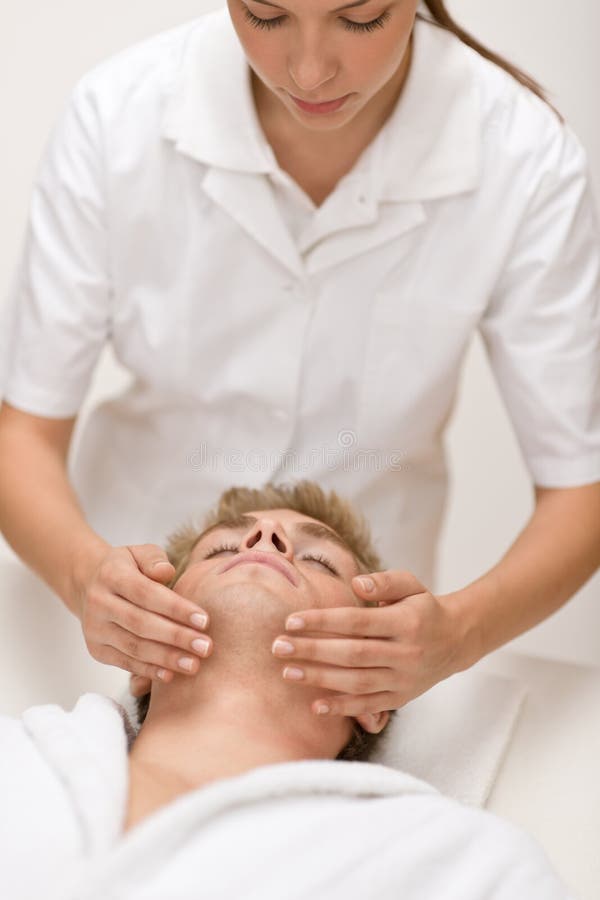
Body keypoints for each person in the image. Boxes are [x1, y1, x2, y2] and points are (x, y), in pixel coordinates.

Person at [0, 0, 599, 715]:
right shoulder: (117, 117)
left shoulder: (523, 158)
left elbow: (580, 490)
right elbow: (22, 434)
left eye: (362, 19)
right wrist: (84, 577)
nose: (310, 71)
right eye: (265, 13)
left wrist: (457, 635)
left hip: (354, 663)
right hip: (111, 613)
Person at [0, 481, 573, 900]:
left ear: (376, 698)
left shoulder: (462, 863)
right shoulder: (19, 759)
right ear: (139, 656)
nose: (264, 534)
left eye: (319, 559)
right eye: (221, 549)